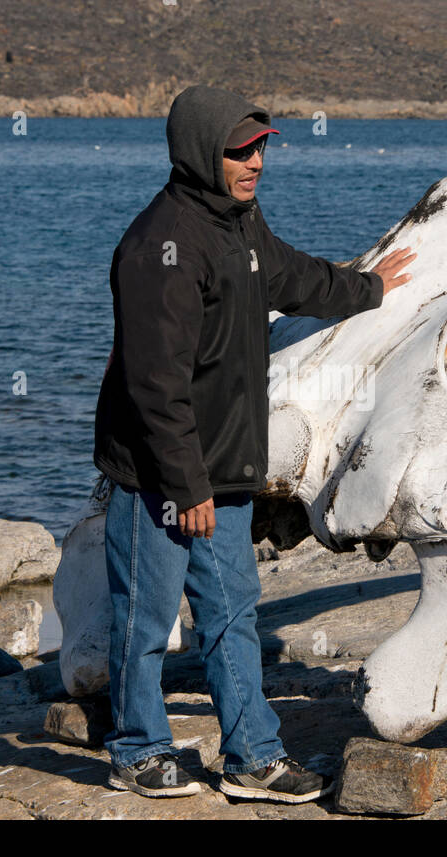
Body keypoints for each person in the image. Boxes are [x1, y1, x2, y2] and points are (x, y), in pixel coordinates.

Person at [92, 84, 416, 803]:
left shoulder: (238, 222)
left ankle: (252, 759)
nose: (256, 160)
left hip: (224, 467)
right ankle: (138, 749)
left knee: (233, 616)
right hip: (159, 476)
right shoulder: (160, 249)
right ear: (202, 152)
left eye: (262, 145)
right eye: (240, 149)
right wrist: (187, 485)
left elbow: (290, 276)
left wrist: (367, 288)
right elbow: (154, 388)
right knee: (146, 620)